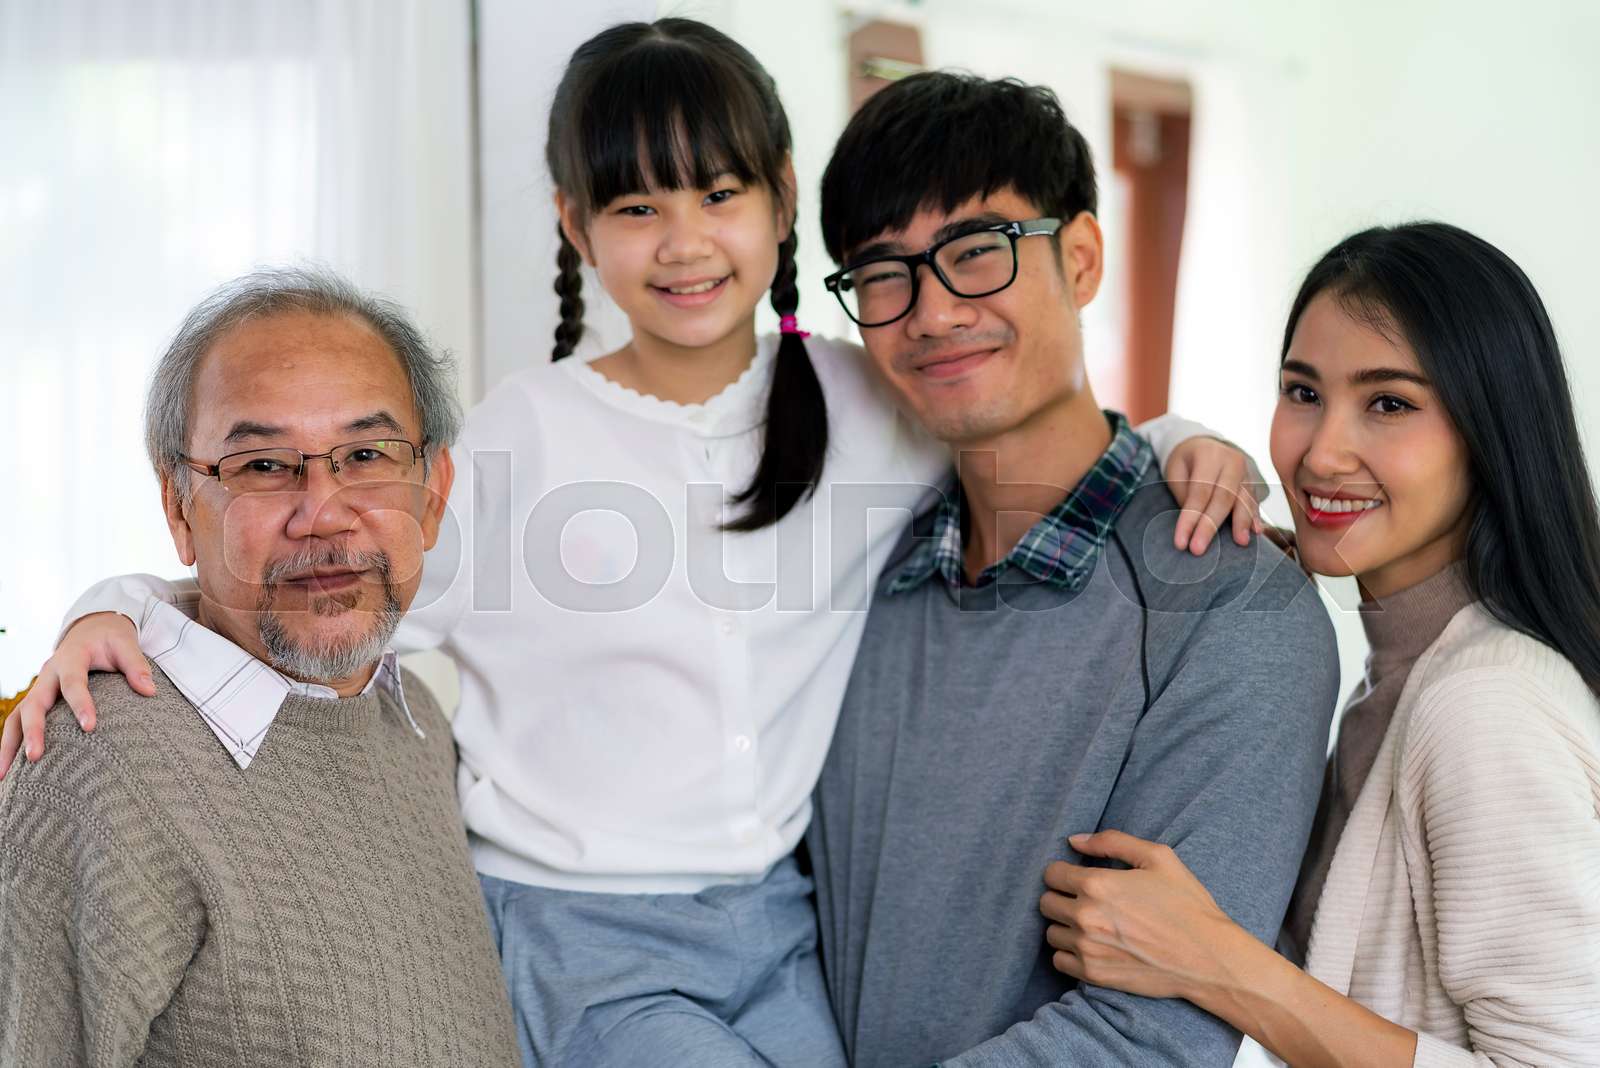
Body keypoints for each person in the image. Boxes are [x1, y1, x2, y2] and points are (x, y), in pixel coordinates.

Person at [1, 19, 1258, 1067]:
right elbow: (328, 571)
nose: (683, 241)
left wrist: (1188, 438)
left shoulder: (869, 407)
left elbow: (1030, 425)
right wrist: (114, 606)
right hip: (580, 934)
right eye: (636, 204)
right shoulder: (511, 442)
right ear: (575, 224)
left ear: (777, 202)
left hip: (780, 930)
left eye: (719, 194)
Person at [804, 71, 1339, 1067]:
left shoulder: (1232, 609)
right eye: (884, 273)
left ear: (1081, 258)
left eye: (975, 250)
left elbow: (1150, 1036)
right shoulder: (855, 569)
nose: (929, 312)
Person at [1038, 223, 1600, 1066]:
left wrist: (1214, 963)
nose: (1321, 452)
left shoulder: (1484, 708)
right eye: (1303, 393)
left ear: (1491, 431)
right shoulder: (1408, 667)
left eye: (1389, 403)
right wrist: (1188, 444)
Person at [0, 269, 521, 1066]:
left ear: (431, 494)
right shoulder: (100, 760)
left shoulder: (414, 718)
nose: (322, 510)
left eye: (368, 454)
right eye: (265, 467)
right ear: (180, 509)